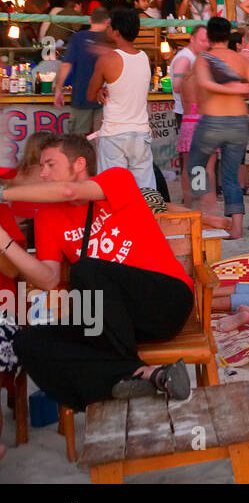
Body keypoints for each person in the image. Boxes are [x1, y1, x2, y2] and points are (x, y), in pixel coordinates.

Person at [3, 135, 194, 410]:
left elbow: (70, 192)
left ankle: (125, 372)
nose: (42, 173)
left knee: (85, 269)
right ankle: (146, 376)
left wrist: (3, 193)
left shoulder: (118, 180)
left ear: (79, 164)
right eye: (41, 167)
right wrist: (3, 240)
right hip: (114, 324)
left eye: (50, 164)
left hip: (165, 301)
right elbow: (48, 279)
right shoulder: (47, 217)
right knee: (29, 342)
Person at [189, 17, 249, 240]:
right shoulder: (240, 60)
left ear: (210, 36)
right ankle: (237, 228)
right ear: (228, 35)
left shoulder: (204, 59)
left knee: (196, 166)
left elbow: (204, 83)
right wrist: (241, 90)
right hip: (239, 121)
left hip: (213, 120)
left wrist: (231, 88)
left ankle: (204, 210)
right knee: (231, 175)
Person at [88, 8, 155, 191]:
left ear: (116, 32)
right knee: (146, 194)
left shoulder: (107, 60)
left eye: (109, 26)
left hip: (114, 133)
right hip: (140, 132)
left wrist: (101, 89)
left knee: (113, 191)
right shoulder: (144, 57)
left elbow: (90, 94)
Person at [54, 5, 109, 136]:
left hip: (81, 97)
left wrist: (58, 90)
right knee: (103, 141)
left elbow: (66, 65)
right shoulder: (110, 40)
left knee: (77, 141)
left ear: (90, 20)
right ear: (107, 22)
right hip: (106, 99)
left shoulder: (78, 38)